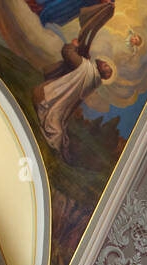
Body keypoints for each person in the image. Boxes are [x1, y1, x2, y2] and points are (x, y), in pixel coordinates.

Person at [32, 2, 116, 157]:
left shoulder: (87, 70)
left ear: (103, 73)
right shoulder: (92, 79)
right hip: (63, 102)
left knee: (48, 110)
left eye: (106, 67)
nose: (104, 62)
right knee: (57, 117)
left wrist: (73, 46)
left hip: (52, 96)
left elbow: (68, 54)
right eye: (107, 64)